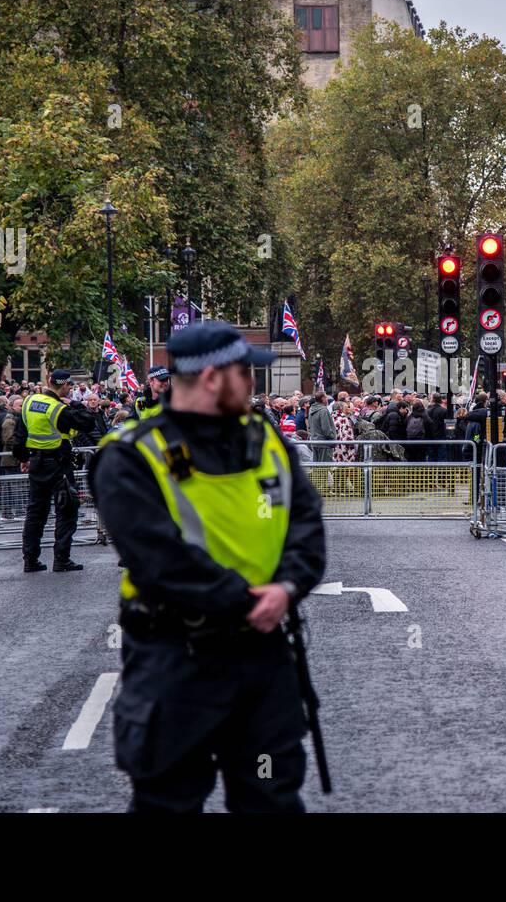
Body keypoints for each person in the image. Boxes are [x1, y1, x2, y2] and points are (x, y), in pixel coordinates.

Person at [89, 320, 326, 813]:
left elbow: (305, 524)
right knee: (168, 803)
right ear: (215, 377)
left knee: (272, 799)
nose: (254, 384)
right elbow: (158, 559)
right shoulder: (131, 454)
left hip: (261, 657)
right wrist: (248, 602)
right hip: (175, 658)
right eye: (246, 373)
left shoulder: (265, 440)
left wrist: (287, 588)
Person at [14, 368, 97, 572]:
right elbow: (87, 421)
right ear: (65, 385)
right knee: (67, 510)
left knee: (35, 513)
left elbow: (20, 434)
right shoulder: (58, 408)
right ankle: (61, 558)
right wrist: (76, 403)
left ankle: (30, 560)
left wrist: (24, 458)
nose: (71, 390)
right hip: (58, 465)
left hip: (36, 463)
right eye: (70, 386)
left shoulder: (29, 402)